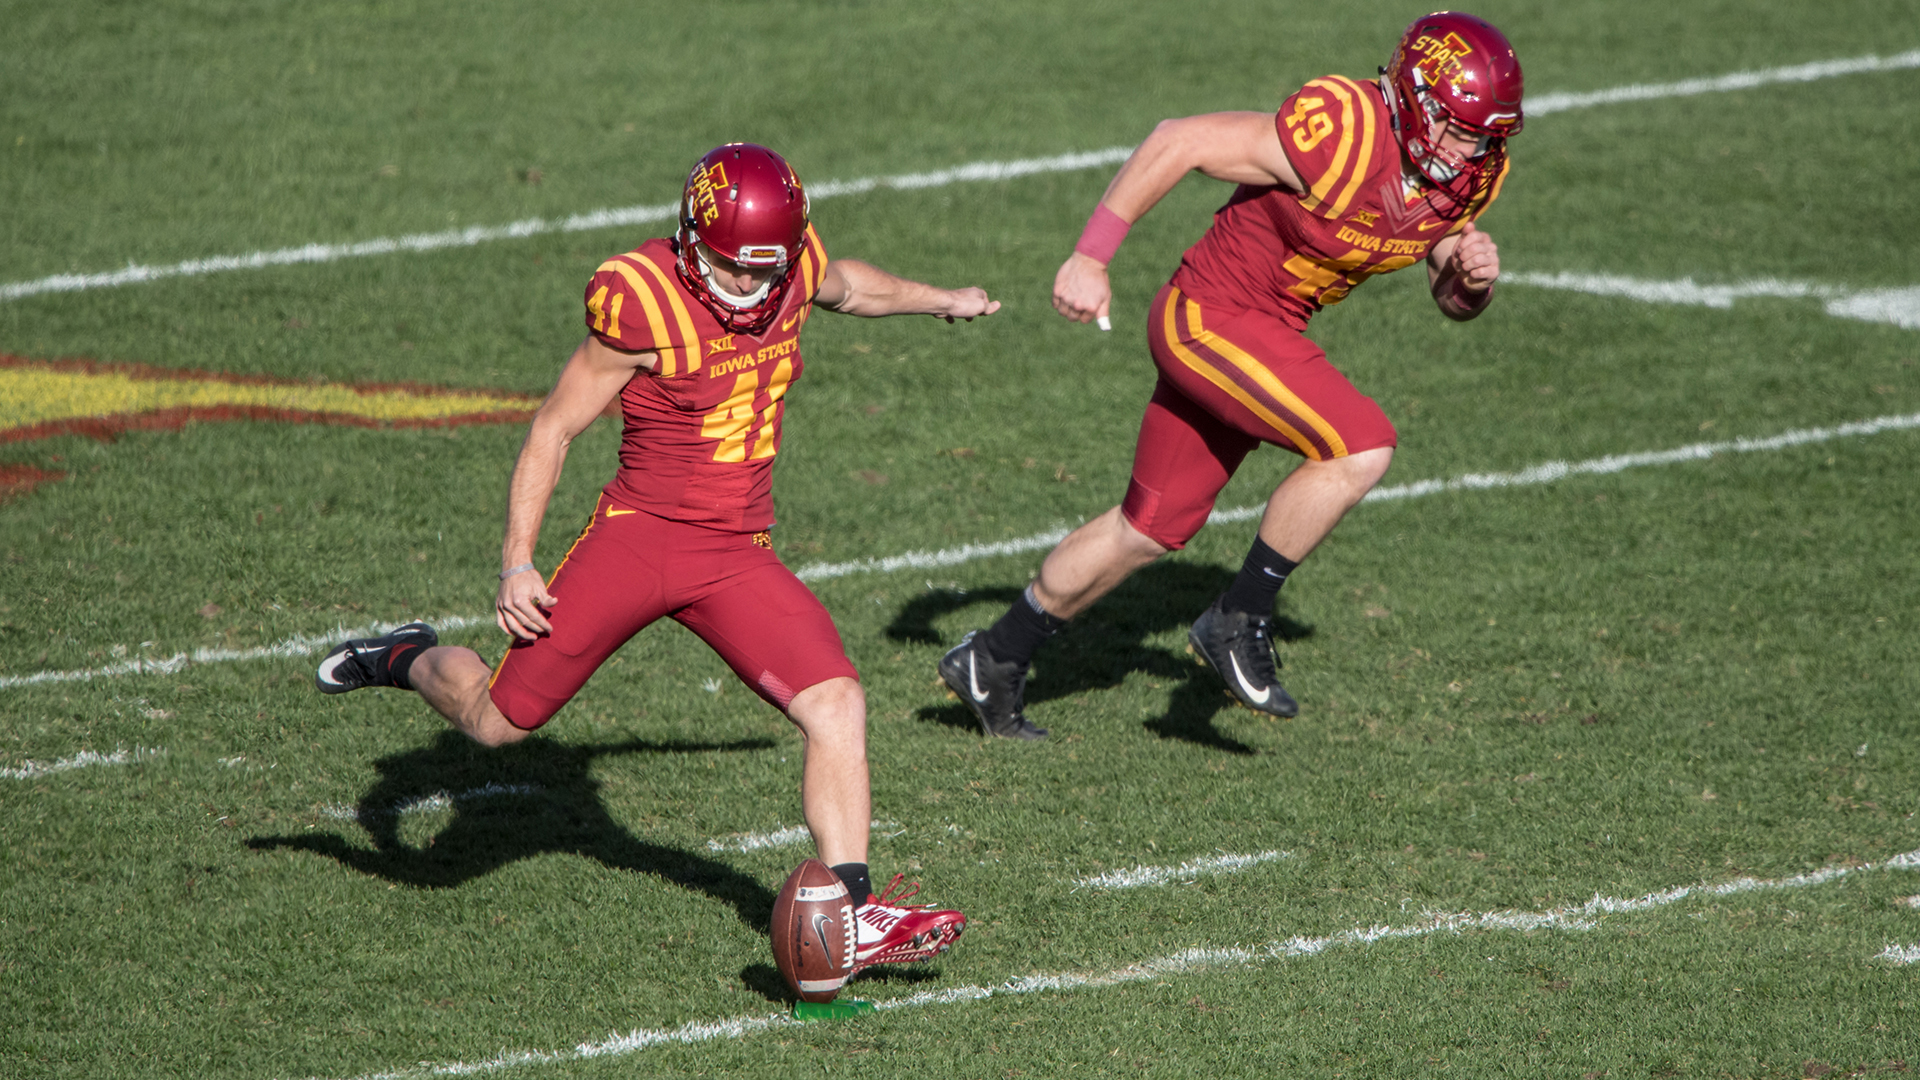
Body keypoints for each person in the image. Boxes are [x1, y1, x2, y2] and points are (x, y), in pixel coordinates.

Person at [315, 143, 993, 970]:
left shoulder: (791, 264)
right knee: (496, 725)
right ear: (691, 236)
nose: (749, 286)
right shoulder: (642, 301)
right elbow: (553, 428)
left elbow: (848, 283)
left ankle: (850, 915)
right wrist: (516, 561)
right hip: (637, 540)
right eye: (731, 268)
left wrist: (940, 300)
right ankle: (406, 656)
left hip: (736, 550)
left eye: (763, 271)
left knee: (838, 701)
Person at [941, 12, 1523, 739]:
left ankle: (993, 659)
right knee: (1361, 444)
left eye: (1488, 133)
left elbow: (1448, 291)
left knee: (1146, 530)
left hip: (1262, 336)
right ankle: (1238, 617)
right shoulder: (1345, 128)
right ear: (1413, 99)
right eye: (1461, 127)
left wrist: (1470, 281)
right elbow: (1178, 139)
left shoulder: (1469, 175)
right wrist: (1091, 256)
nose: (1473, 147)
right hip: (1210, 318)